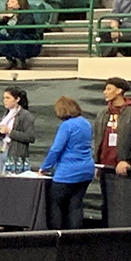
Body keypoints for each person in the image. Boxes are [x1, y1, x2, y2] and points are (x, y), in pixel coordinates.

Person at [42, 96, 94, 229]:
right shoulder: (85, 123)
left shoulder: (66, 126)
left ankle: (57, 236)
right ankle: (75, 238)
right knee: (76, 205)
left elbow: (56, 149)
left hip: (67, 172)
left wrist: (45, 167)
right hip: (86, 170)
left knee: (56, 204)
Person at [0, 86, 36, 173]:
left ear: (17, 99)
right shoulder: (6, 114)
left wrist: (9, 131)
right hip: (2, 149)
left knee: (10, 179)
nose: (5, 100)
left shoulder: (26, 115)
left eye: (8, 98)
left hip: (15, 152)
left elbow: (30, 137)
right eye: (4, 98)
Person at [96, 78, 131, 179]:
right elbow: (99, 139)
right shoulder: (103, 113)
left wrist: (127, 161)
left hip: (127, 168)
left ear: (119, 91)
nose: (105, 92)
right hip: (105, 166)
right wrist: (97, 163)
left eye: (108, 89)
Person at [0, 0, 43, 71]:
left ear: (19, 5)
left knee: (18, 36)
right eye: (8, 1)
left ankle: (21, 62)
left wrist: (12, 17)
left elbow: (20, 29)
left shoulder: (27, 15)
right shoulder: (7, 17)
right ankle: (12, 61)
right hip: (14, 42)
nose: (8, 3)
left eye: (12, 2)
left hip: (29, 44)